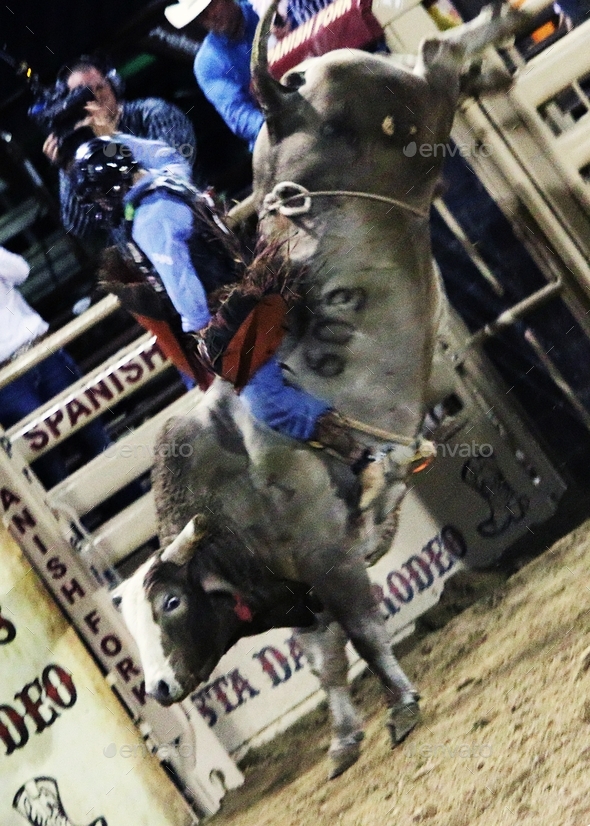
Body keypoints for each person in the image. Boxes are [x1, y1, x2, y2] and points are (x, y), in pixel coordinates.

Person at [71, 136, 387, 509]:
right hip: (257, 279)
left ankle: (363, 460)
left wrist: (202, 335)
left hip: (235, 310)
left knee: (267, 403)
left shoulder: (148, 221)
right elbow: (167, 151)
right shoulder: (169, 176)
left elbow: (183, 285)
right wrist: (114, 136)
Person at [42, 55, 197, 239]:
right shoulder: (83, 154)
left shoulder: (153, 113)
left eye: (99, 88)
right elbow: (79, 227)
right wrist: (69, 168)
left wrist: (111, 138)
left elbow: (176, 171)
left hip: (192, 228)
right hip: (142, 254)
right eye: (83, 97)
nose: (96, 98)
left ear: (114, 85)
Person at [0, 246, 110, 488]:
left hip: (41, 351)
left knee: (92, 432)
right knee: (47, 463)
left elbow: (21, 270)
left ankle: (130, 498)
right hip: (6, 380)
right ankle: (78, 524)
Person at [164, 0, 265, 151]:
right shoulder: (207, 63)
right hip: (271, 130)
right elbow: (239, 115)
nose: (211, 16)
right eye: (201, 15)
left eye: (212, 5)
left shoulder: (262, 7)